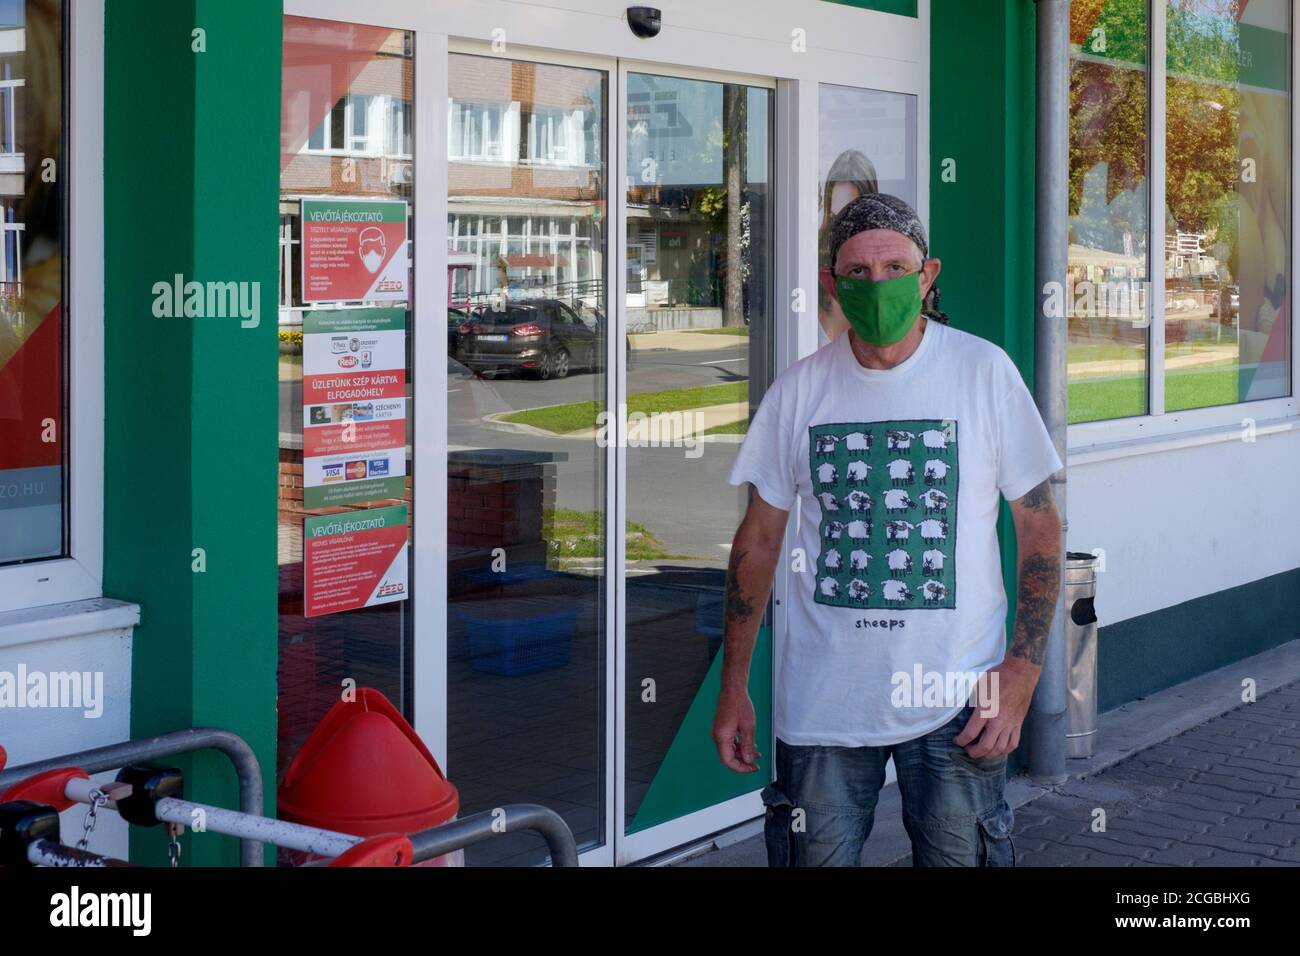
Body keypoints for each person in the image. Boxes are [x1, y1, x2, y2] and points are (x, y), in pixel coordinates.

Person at [712, 192, 1063, 866]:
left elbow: (1041, 531)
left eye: (895, 268)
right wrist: (735, 687)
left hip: (958, 697)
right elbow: (757, 542)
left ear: (928, 275)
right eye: (858, 272)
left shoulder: (983, 373)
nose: (878, 285)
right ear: (831, 284)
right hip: (822, 706)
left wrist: (1021, 673)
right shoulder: (797, 393)